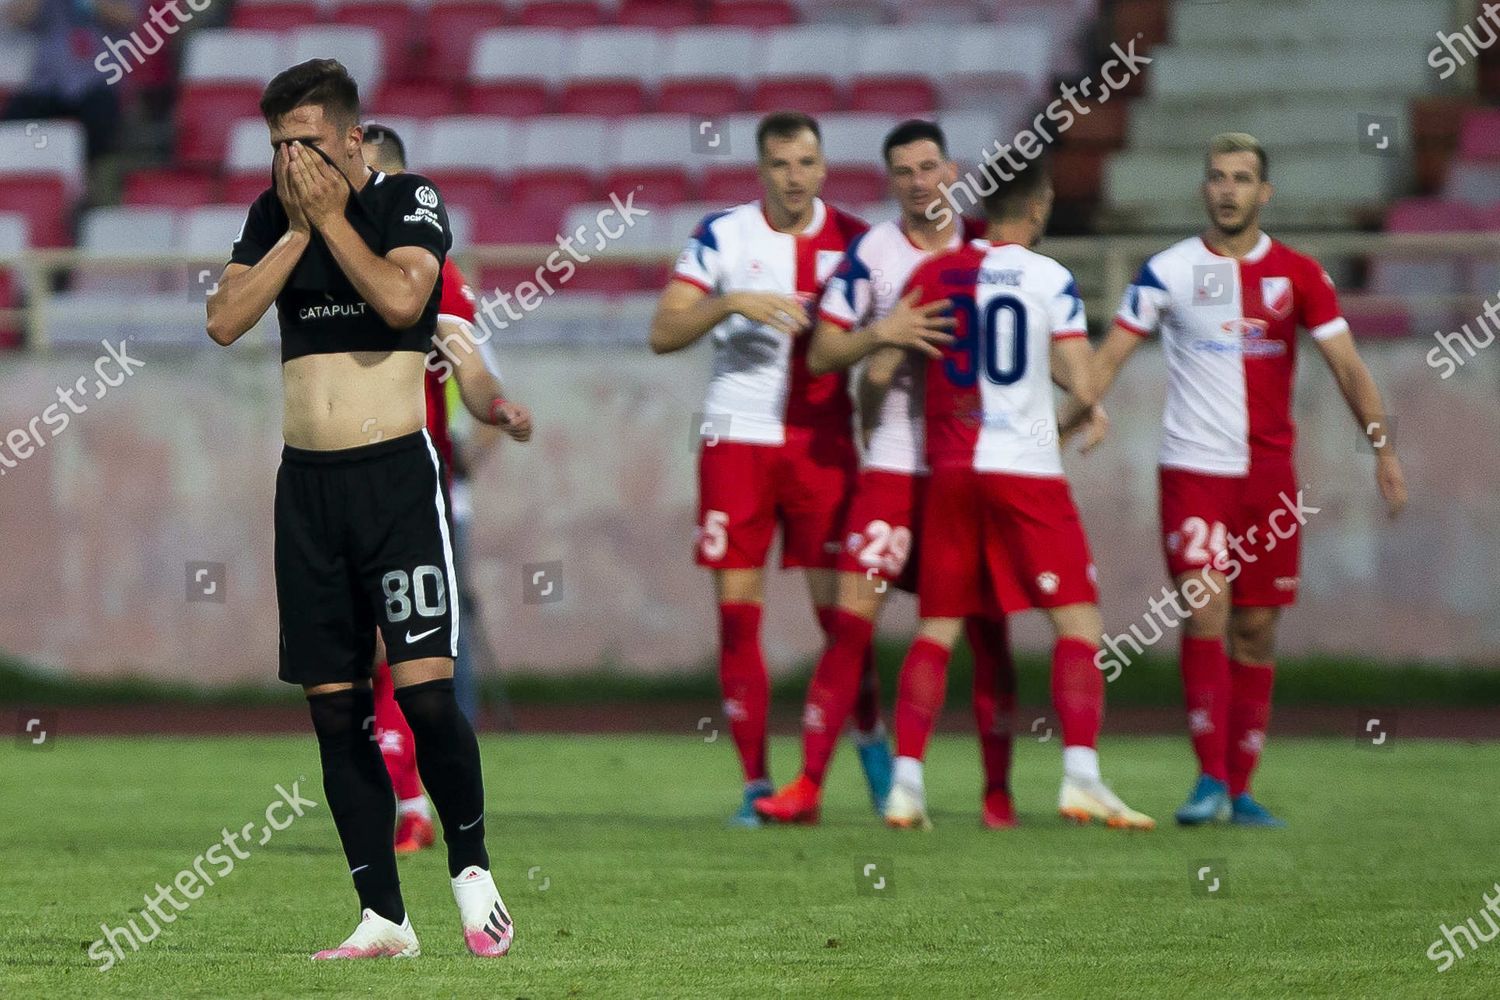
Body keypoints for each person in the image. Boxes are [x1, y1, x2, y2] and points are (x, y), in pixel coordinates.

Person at [205, 59, 527, 960]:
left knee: (425, 698)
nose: (291, 162)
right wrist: (297, 231)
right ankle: (383, 916)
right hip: (306, 489)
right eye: (278, 145)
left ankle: (471, 869)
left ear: (352, 139)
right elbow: (224, 319)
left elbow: (401, 296)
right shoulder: (272, 218)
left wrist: (331, 221)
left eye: (306, 143)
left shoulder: (408, 201)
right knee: (334, 712)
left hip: (394, 481)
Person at [1090, 132, 1407, 827]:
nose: (1227, 190)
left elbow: (1349, 368)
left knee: (1257, 629)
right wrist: (1077, 410)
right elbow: (1108, 354)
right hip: (1194, 472)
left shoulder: (1299, 274)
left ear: (1265, 192)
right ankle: (1208, 778)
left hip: (1268, 479)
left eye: (1240, 178)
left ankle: (1240, 790)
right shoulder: (1167, 270)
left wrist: (1382, 450)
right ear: (1203, 188)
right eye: (1217, 177)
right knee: (1206, 608)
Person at [753, 120, 1022, 829]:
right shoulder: (873, 253)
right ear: (890, 180)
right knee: (850, 625)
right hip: (896, 467)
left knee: (988, 632)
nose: (918, 183)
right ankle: (809, 785)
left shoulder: (990, 251)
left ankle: (997, 795)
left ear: (952, 171)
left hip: (974, 468)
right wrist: (883, 334)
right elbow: (820, 354)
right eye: (903, 172)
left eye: (929, 168)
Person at [884, 157, 1154, 832]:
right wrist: (1073, 416)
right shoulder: (1047, 277)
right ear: (1037, 208)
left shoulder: (934, 274)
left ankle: (906, 787)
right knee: (1078, 624)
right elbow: (1084, 382)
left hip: (951, 470)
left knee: (937, 629)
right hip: (1024, 471)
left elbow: (887, 365)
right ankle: (1081, 778)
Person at [649, 111, 893, 826]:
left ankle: (872, 747)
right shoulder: (722, 236)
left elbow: (887, 338)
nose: (794, 177)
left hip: (823, 446)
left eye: (806, 162)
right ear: (760, 170)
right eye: (781, 164)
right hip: (737, 440)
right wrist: (730, 302)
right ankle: (757, 784)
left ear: (824, 167)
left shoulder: (858, 242)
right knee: (736, 618)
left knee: (843, 621)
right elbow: (663, 331)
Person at [357, 121, 529, 854]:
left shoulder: (434, 270)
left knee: (410, 652)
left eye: (372, 177)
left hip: (412, 483)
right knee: (355, 661)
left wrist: (495, 412)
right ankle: (405, 798)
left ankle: (417, 805)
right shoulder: (321, 255)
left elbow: (473, 366)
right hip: (331, 480)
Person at [1, 0, 139, 161]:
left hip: (97, 85)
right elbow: (17, 18)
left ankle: (86, 171)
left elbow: (127, 17)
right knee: (12, 125)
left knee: (99, 119)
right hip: (47, 87)